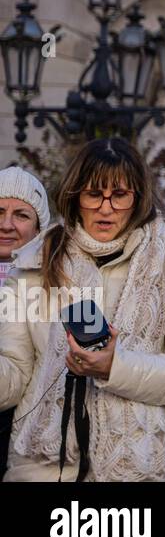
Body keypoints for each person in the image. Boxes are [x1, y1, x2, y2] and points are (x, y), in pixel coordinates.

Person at [0, 138, 165, 481]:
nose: (106, 208)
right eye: (93, 194)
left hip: (145, 470)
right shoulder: (33, 263)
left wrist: (115, 367)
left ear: (137, 198)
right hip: (46, 469)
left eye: (119, 195)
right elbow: (15, 371)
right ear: (75, 196)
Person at [0, 166, 49, 476]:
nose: (6, 225)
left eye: (21, 215)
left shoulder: (56, 283)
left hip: (29, 436)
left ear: (38, 227)